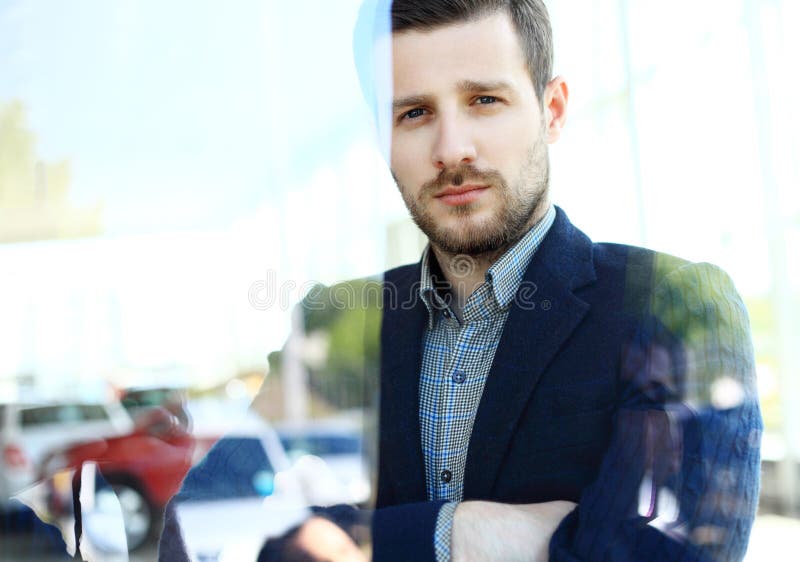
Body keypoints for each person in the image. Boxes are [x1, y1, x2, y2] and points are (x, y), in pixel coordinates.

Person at [162, 1, 762, 561]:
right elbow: (201, 531)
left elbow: (675, 553)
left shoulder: (670, 304)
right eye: (415, 112)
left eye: (483, 100)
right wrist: (466, 530)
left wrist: (347, 534)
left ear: (552, 111)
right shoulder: (338, 323)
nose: (452, 149)